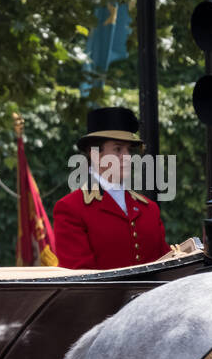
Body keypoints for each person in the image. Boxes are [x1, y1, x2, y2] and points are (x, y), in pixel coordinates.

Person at [52, 106, 168, 270]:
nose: (126, 157)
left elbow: (165, 266)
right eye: (118, 149)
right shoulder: (71, 208)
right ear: (94, 154)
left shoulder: (150, 209)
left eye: (129, 150)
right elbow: (81, 280)